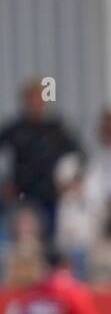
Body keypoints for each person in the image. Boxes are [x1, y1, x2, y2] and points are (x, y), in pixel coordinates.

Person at [0, 79, 81, 234]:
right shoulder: (15, 129)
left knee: (50, 243)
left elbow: (79, 154)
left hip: (50, 198)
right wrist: (4, 183)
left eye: (39, 98)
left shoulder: (56, 129)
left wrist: (71, 181)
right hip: (22, 196)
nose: (36, 103)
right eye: (32, 98)